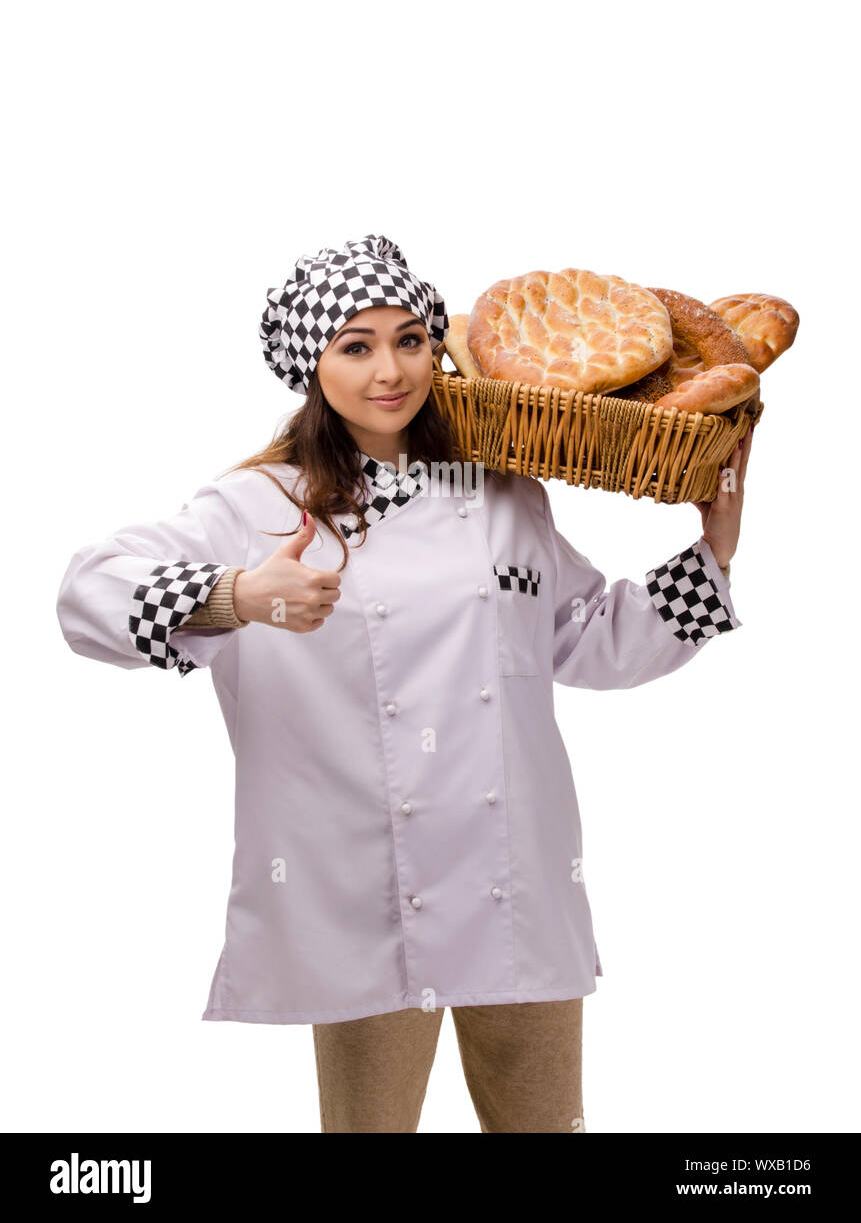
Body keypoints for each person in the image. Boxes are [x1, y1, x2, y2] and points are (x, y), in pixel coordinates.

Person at [56, 233, 753, 1133]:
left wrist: (714, 552)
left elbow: (585, 638)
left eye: (410, 339)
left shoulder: (505, 493)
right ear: (311, 366)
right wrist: (237, 595)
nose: (390, 370)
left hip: (516, 880)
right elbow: (86, 592)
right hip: (365, 895)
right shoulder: (259, 506)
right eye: (355, 345)